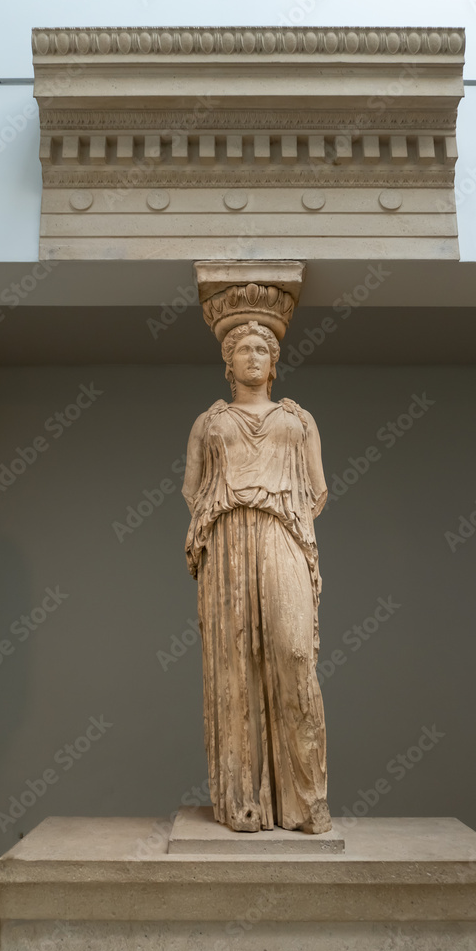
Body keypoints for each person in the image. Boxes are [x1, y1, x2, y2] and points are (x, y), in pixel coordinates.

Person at [182, 319, 332, 834]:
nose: (252, 357)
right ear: (229, 363)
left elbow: (318, 490)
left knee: (293, 654)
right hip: (226, 542)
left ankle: (304, 801)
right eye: (242, 349)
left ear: (274, 362)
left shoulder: (299, 419)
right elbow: (192, 489)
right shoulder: (210, 422)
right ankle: (242, 799)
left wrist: (275, 512)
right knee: (234, 663)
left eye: (261, 349)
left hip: (282, 533)